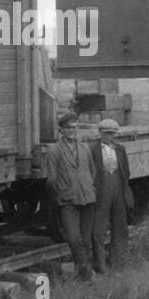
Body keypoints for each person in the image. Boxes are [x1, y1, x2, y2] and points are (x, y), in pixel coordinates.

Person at [43, 112, 99, 281]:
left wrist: (89, 187)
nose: (72, 131)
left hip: (87, 198)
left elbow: (92, 171)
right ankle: (88, 274)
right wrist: (61, 194)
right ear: (61, 130)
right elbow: (51, 180)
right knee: (74, 239)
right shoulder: (54, 151)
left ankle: (83, 275)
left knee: (86, 239)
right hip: (67, 200)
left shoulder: (84, 148)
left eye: (75, 127)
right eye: (68, 128)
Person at [90, 119, 135, 270]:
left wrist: (122, 188)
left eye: (112, 134)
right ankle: (100, 264)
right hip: (101, 190)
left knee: (120, 226)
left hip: (118, 188)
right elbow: (91, 171)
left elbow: (126, 171)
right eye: (106, 133)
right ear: (100, 133)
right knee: (98, 229)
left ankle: (118, 262)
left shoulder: (120, 149)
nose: (109, 137)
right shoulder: (93, 150)